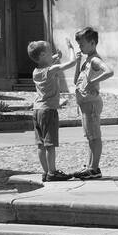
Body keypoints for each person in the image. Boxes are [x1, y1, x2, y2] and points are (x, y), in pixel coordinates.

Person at [29, 41, 76, 182]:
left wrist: (55, 56)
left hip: (36, 110)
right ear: (43, 55)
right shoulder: (50, 70)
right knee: (50, 144)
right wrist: (71, 49)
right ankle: (53, 172)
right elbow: (71, 63)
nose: (53, 54)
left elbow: (46, 63)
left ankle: (45, 172)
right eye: (50, 52)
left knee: (41, 144)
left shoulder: (36, 71)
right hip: (48, 111)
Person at [70, 27, 113, 179]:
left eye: (82, 44)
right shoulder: (87, 60)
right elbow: (76, 81)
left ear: (92, 43)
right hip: (85, 104)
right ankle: (89, 166)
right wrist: (77, 62)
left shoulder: (95, 59)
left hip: (92, 103)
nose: (79, 48)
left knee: (95, 137)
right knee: (90, 137)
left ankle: (95, 169)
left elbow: (109, 71)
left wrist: (92, 81)